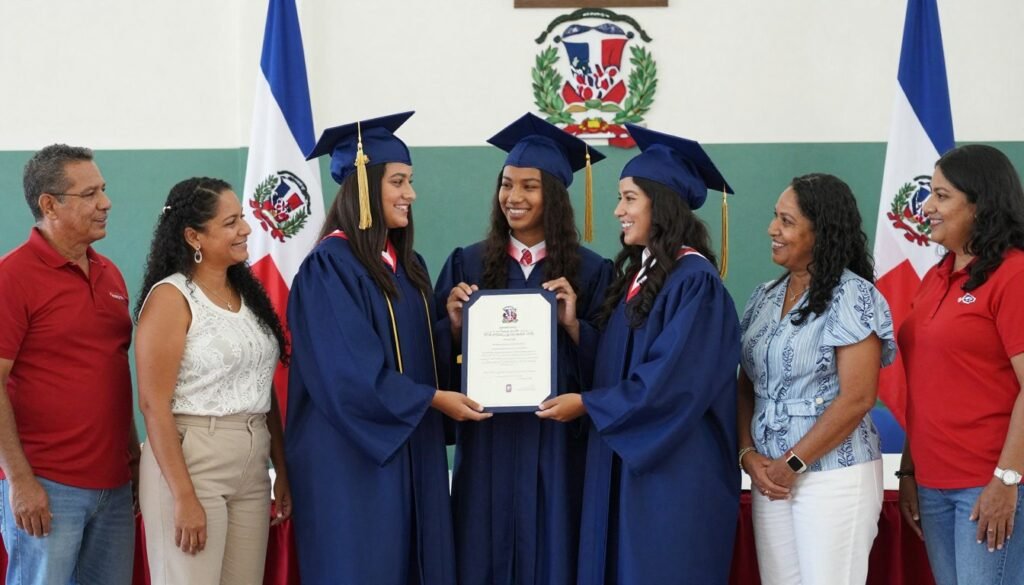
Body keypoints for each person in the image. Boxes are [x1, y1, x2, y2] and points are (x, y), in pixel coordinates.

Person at [286, 112, 489, 585]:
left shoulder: (408, 266)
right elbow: (347, 374)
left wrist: (450, 329)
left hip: (409, 449)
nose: (410, 194)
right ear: (363, 187)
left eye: (410, 181)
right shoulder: (329, 268)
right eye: (398, 181)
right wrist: (431, 399)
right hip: (354, 462)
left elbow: (413, 357)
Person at [537, 125, 741, 584]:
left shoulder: (695, 283)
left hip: (674, 474)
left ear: (661, 205)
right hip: (635, 465)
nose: (618, 211)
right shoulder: (643, 277)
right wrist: (575, 329)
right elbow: (622, 367)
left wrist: (588, 404)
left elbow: (672, 384)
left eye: (629, 199)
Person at [436, 112, 613, 585]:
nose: (513, 197)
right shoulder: (468, 263)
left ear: (553, 195)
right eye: (506, 184)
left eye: (529, 186)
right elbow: (431, 363)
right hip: (487, 441)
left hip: (556, 443)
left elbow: (612, 366)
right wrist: (452, 328)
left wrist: (574, 327)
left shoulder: (591, 271)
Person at [737, 173, 895, 585]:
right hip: (770, 477)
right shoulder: (764, 296)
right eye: (775, 217)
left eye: (786, 221)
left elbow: (858, 398)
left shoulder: (853, 296)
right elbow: (746, 384)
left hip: (833, 476)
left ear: (821, 232)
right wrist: (747, 454)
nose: (772, 229)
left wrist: (793, 463)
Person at [134, 177, 292, 585]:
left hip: (252, 464)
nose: (246, 229)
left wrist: (281, 467)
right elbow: (153, 404)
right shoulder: (171, 298)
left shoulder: (247, 296)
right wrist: (183, 495)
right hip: (192, 461)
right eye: (231, 222)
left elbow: (261, 387)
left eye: (242, 218)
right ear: (194, 236)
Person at [0, 144, 139, 584]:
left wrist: (133, 458)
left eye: (104, 189)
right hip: (46, 486)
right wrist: (20, 481)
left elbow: (112, 372)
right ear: (49, 205)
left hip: (114, 487)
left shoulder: (110, 273)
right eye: (90, 193)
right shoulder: (12, 276)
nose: (106, 202)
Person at [897, 144, 1024, 584]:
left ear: (980, 204)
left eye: (942, 195)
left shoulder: (1014, 275)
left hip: (989, 482)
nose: (926, 207)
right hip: (933, 484)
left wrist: (1007, 479)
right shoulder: (936, 277)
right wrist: (910, 470)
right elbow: (927, 384)